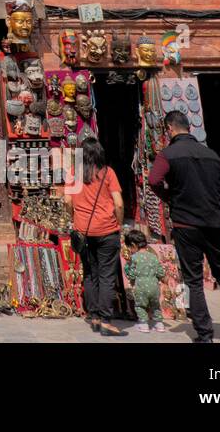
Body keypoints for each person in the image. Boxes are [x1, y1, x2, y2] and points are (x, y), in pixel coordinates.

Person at [149, 111, 220, 343]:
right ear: (188, 127)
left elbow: (153, 181)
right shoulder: (211, 155)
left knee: (194, 280)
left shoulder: (167, 155)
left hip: (186, 223)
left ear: (170, 129)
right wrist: (207, 196)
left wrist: (171, 196)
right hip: (213, 222)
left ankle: (205, 334)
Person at [65, 136, 126, 336]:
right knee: (107, 275)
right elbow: (118, 203)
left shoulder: (74, 174)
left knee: (90, 272)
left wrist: (75, 218)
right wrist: (119, 223)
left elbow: (67, 201)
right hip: (107, 230)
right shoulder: (108, 173)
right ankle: (106, 320)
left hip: (83, 231)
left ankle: (94, 315)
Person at [124, 229, 166, 333]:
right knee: (156, 306)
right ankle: (159, 324)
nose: (129, 250)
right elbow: (160, 272)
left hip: (140, 286)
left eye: (129, 247)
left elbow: (132, 274)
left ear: (133, 245)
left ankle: (143, 324)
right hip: (154, 286)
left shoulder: (134, 258)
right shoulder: (153, 256)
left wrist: (129, 276)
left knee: (140, 306)